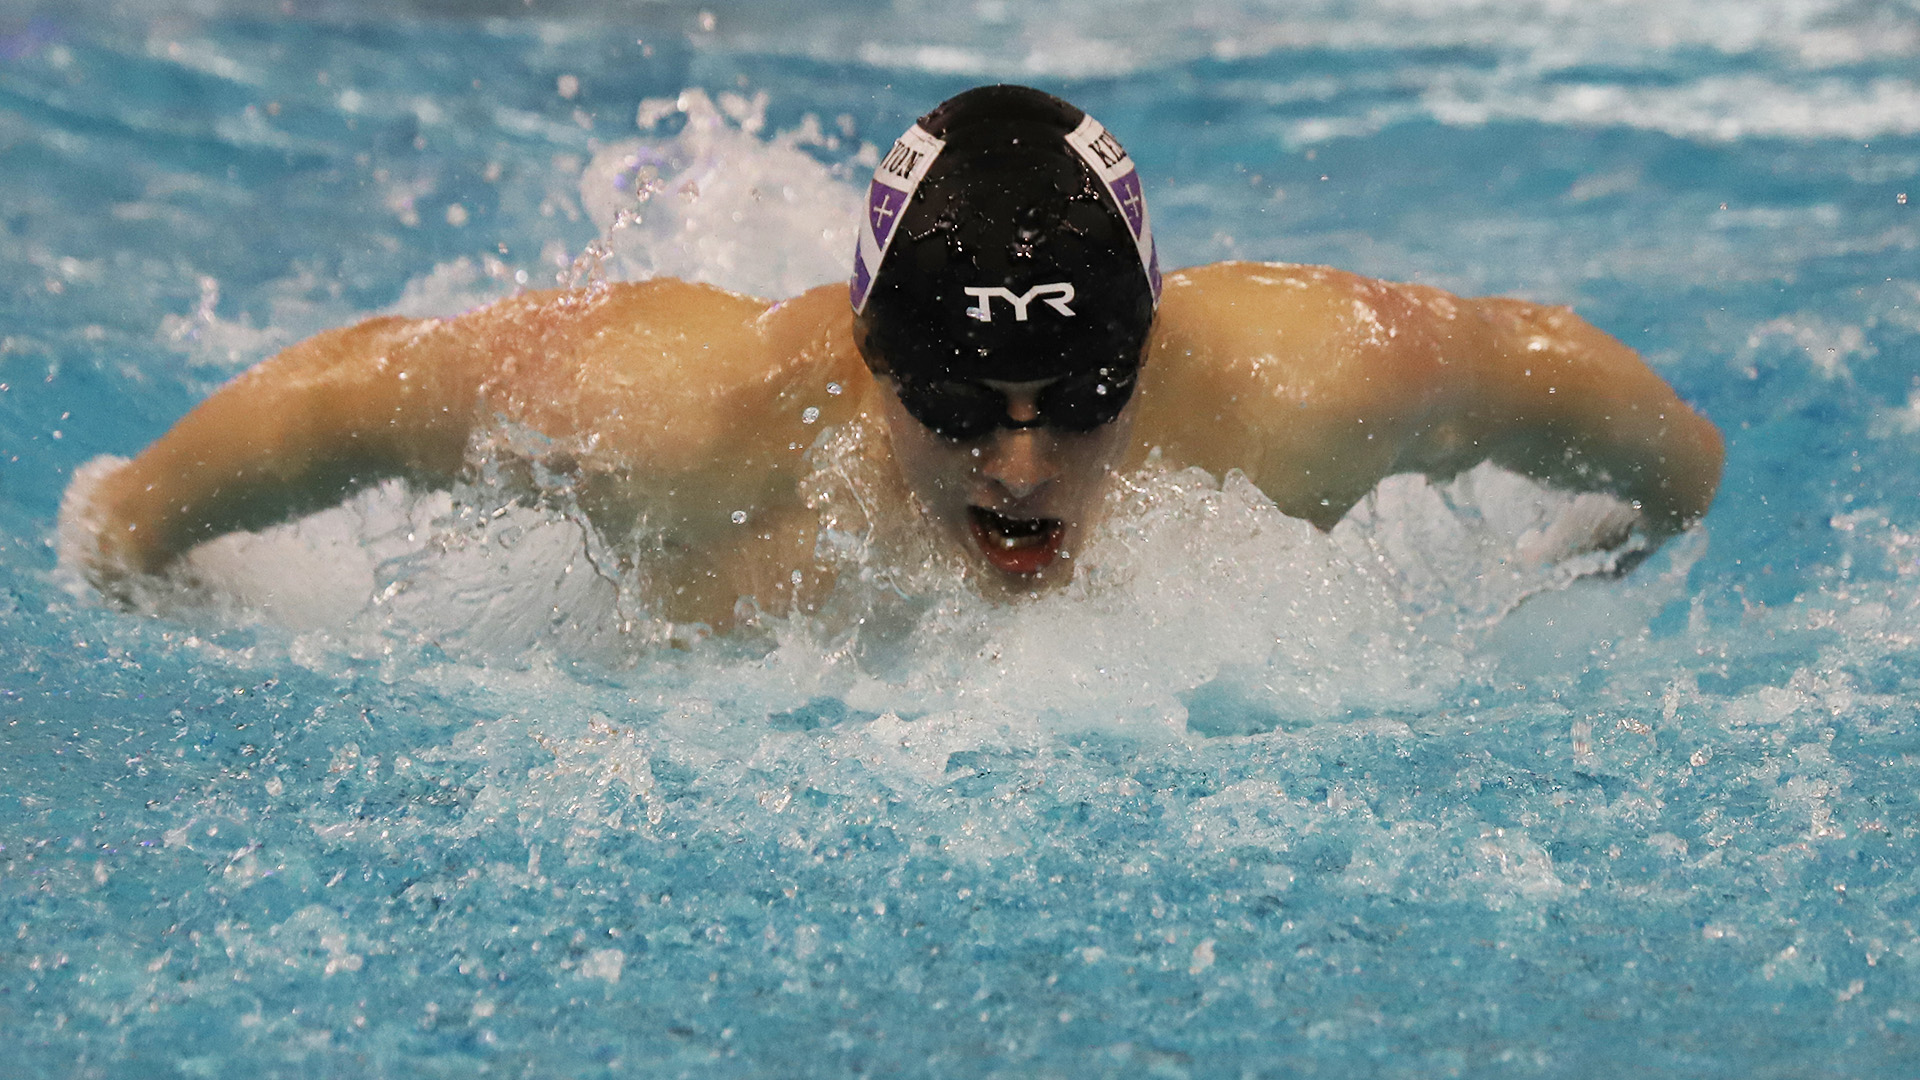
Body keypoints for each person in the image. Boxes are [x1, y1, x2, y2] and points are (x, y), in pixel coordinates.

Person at [68, 84, 1724, 632]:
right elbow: (362, 392)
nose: (1023, 468)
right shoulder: (681, 418)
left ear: (1150, 348)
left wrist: (1596, 556)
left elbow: (1633, 424)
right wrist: (127, 535)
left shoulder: (1321, 381)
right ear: (872, 365)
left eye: (1082, 402)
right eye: (959, 409)